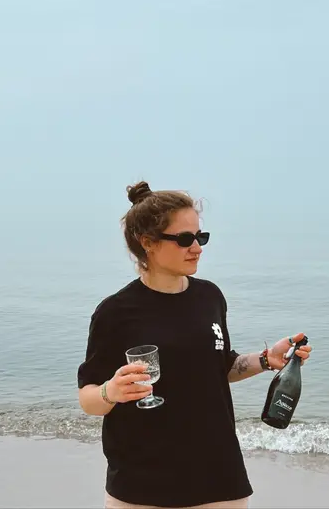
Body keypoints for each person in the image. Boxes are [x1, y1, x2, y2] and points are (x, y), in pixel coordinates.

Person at [77, 181, 312, 509]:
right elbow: (88, 399)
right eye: (184, 239)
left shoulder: (209, 297)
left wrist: (265, 359)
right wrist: (111, 391)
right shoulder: (115, 312)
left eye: (200, 237)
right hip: (141, 485)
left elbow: (220, 367)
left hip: (219, 478)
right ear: (148, 243)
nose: (197, 248)